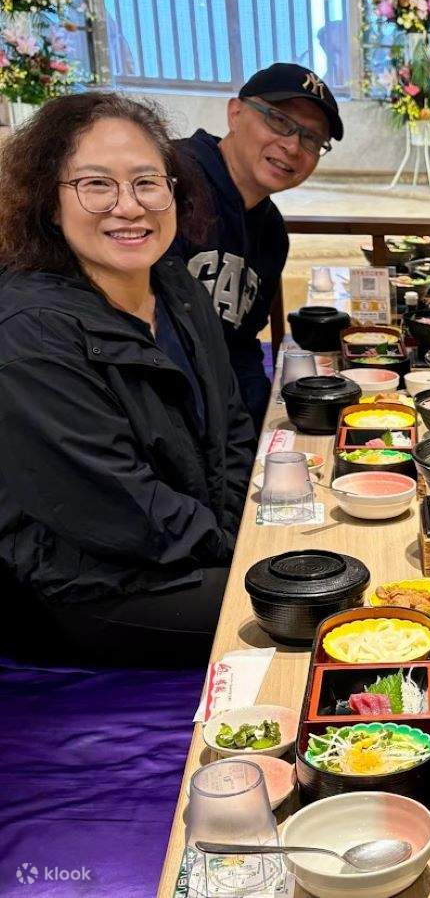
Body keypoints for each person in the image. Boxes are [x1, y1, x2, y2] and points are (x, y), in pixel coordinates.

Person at [0, 92, 256, 667]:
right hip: (84, 586)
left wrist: (240, 531)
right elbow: (116, 507)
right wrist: (236, 549)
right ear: (48, 202)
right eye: (95, 184)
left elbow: (233, 425)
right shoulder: (30, 332)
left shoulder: (175, 287)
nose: (129, 206)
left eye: (147, 182)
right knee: (312, 607)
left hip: (191, 546)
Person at [172, 62, 344, 431]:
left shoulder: (271, 233)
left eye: (312, 139)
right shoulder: (167, 183)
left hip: (218, 424)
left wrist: (259, 426)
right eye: (279, 121)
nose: (293, 145)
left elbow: (242, 344)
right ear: (235, 113)